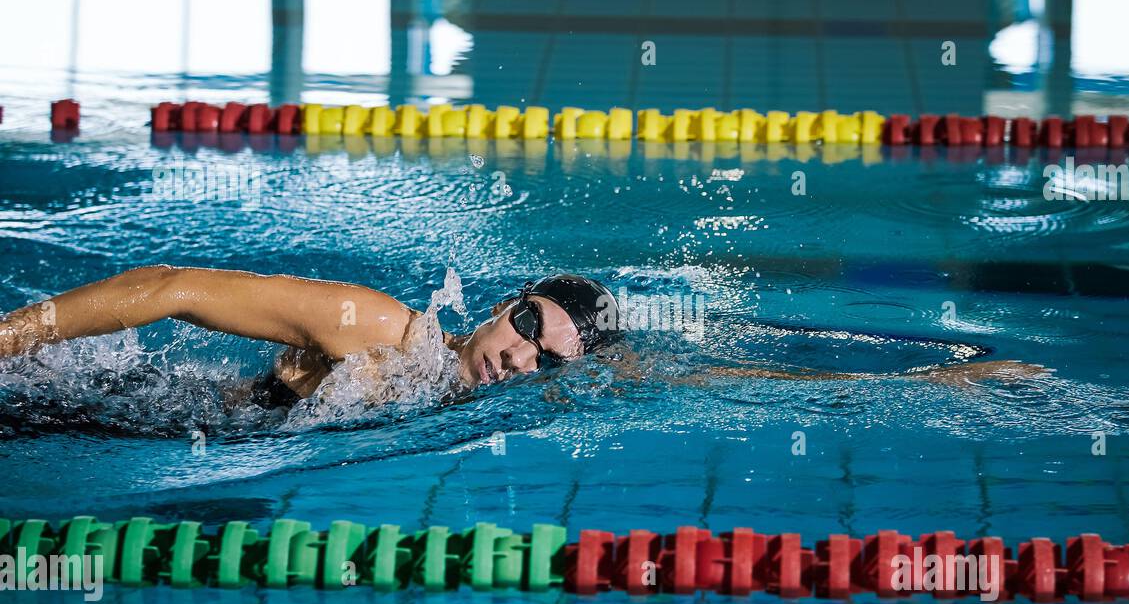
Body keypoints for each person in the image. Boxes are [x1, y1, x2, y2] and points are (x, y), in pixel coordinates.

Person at [0, 265, 1047, 410]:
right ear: (503, 302)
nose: (525, 356)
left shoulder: (456, 396)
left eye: (549, 360)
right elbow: (173, 286)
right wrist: (11, 336)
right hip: (109, 396)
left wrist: (933, 379)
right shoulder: (387, 328)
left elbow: (743, 376)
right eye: (529, 327)